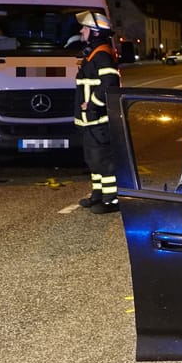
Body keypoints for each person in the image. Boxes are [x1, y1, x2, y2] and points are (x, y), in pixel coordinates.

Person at [73, 11, 122, 214]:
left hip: (98, 119)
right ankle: (98, 195)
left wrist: (92, 105)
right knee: (93, 159)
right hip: (90, 120)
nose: (80, 31)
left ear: (94, 32)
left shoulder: (102, 54)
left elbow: (109, 84)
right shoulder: (93, 53)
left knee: (104, 161)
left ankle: (111, 200)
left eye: (84, 28)